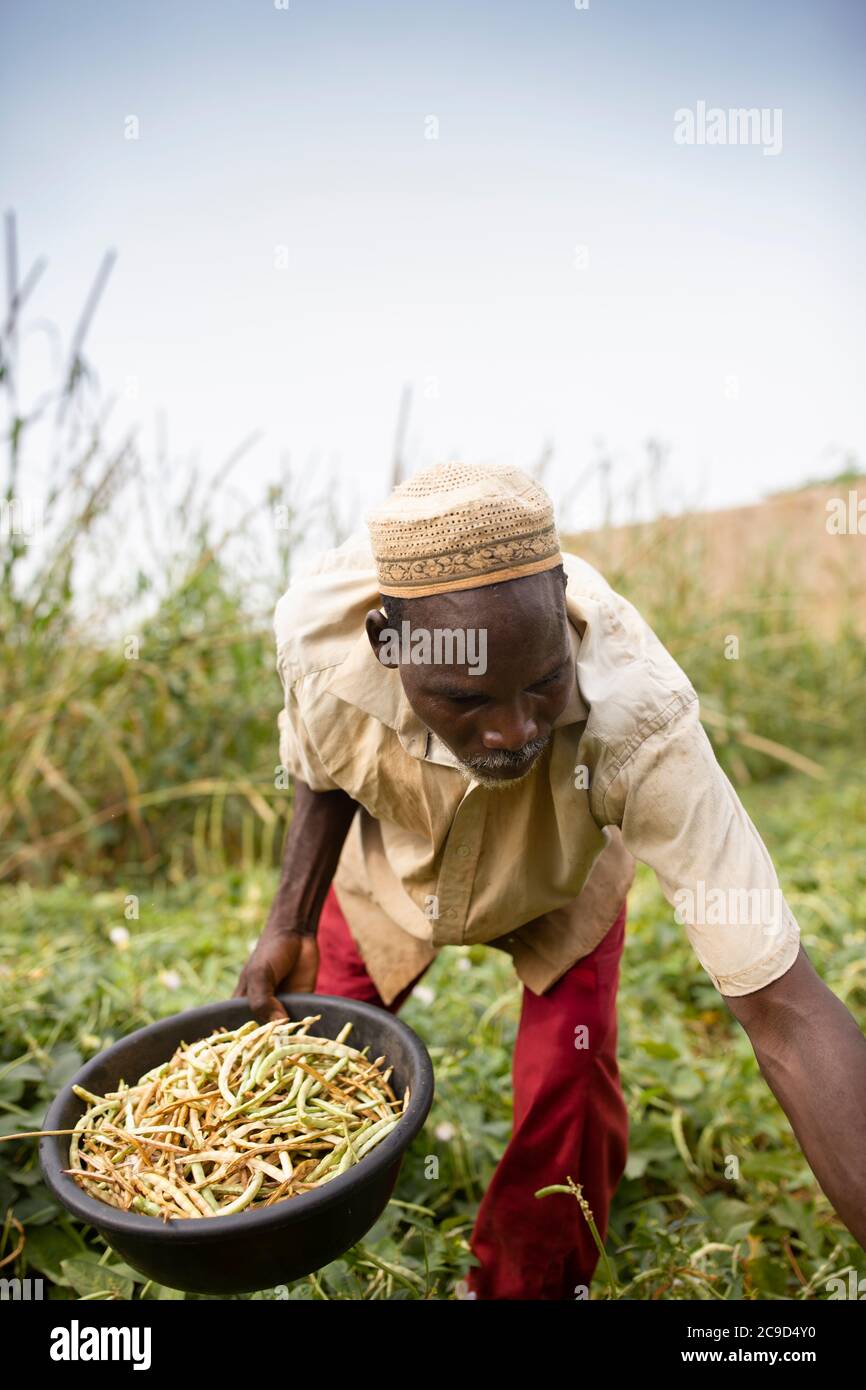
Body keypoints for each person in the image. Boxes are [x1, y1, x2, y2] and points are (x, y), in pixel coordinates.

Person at [235, 461, 866, 1299]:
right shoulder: (321, 647)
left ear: (562, 605)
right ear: (392, 648)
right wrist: (291, 921)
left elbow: (782, 1006)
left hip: (559, 874)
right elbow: (319, 767)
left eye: (543, 684)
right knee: (318, 1054)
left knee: (565, 1086)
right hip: (394, 865)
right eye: (469, 698)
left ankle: (522, 1287)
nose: (514, 731)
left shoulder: (642, 719)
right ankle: (272, 1234)